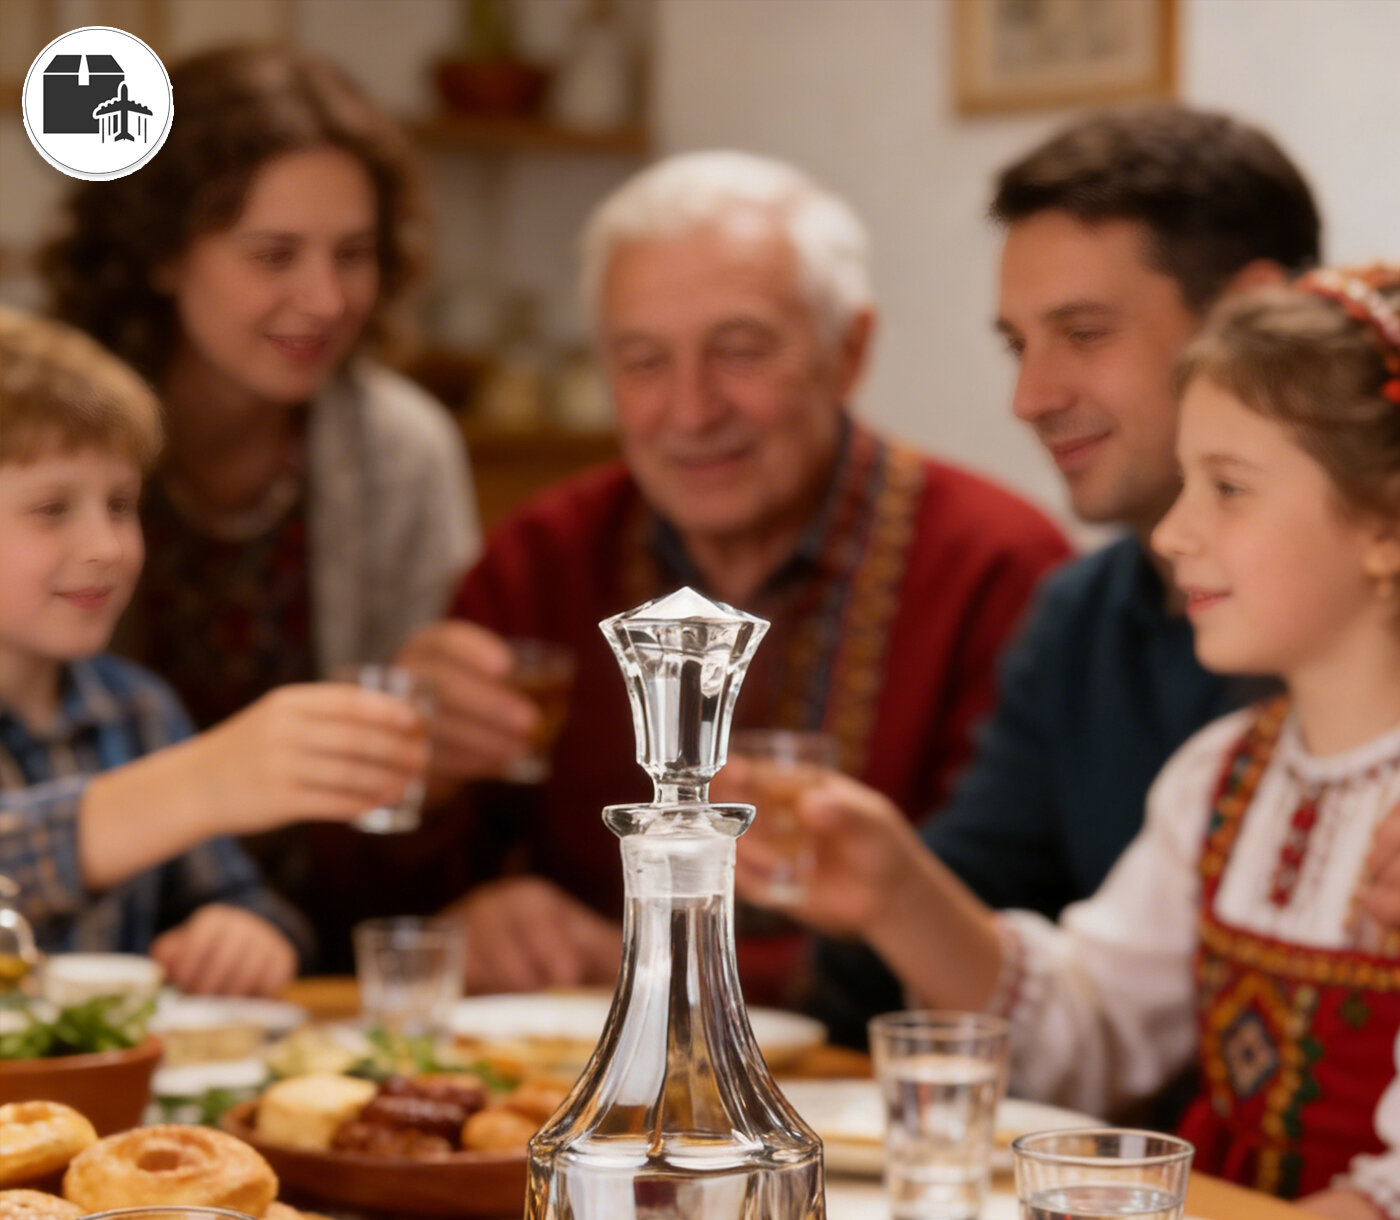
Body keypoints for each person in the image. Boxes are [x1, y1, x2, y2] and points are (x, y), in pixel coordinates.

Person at [733, 268, 1400, 1220]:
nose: (1173, 531)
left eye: (1227, 488)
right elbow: (1092, 1033)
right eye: (1185, 482)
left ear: (1384, 525)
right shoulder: (1222, 776)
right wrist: (899, 895)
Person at [397, 151, 1071, 995]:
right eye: (643, 361)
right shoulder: (538, 559)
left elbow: (1012, 940)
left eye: (740, 351)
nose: (690, 410)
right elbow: (393, 900)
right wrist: (427, 795)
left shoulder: (1001, 570)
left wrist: (645, 969)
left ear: (849, 351)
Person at [811, 106, 1323, 1038]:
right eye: (1018, 345)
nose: (1029, 397)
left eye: (1083, 333)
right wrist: (845, 880)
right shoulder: (1080, 612)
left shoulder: (1353, 624)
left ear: (1251, 319)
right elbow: (1004, 925)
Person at [41, 45, 479, 961]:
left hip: (292, 951)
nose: (324, 298)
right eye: (273, 255)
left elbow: (410, 818)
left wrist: (440, 745)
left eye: (353, 255)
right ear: (164, 253)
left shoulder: (402, 452)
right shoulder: (39, 441)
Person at [0, 309, 426, 993]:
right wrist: (203, 783)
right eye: (53, 509)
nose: (107, 547)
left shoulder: (138, 709)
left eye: (121, 505)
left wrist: (244, 932)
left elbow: (244, 901)